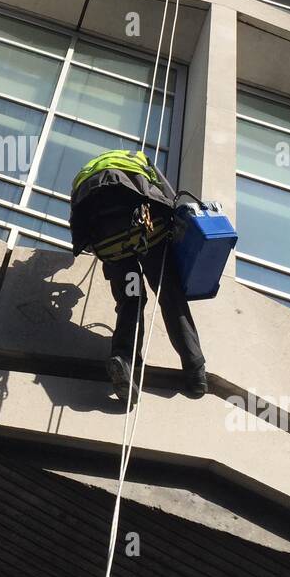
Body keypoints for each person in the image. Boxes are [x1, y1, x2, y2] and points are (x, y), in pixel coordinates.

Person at [69, 148, 207, 403]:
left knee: (131, 297)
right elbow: (168, 197)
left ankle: (124, 359)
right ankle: (195, 368)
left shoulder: (85, 174)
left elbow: (80, 223)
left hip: (110, 242)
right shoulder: (136, 157)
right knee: (168, 293)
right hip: (146, 228)